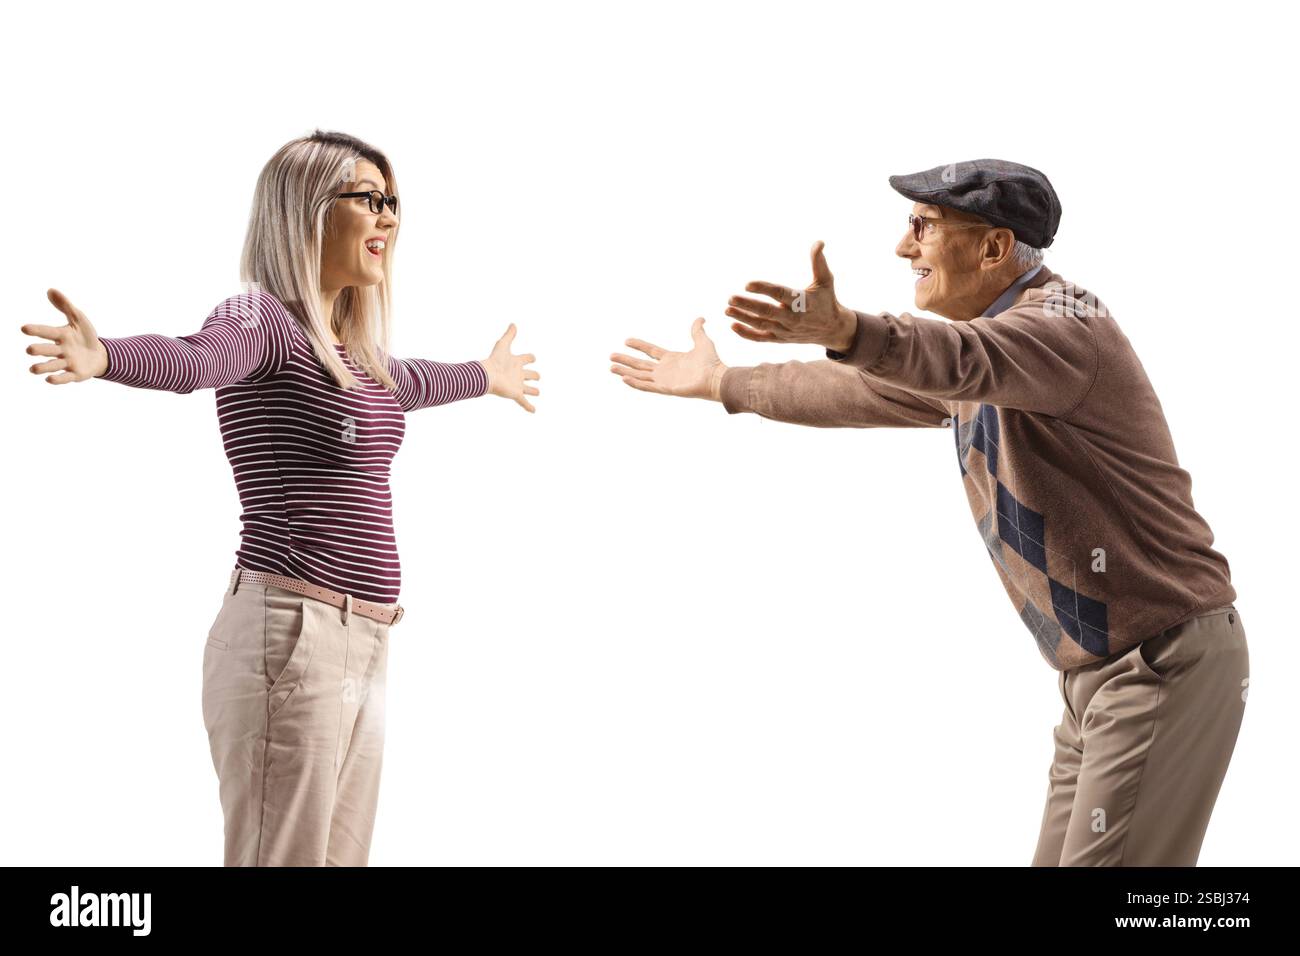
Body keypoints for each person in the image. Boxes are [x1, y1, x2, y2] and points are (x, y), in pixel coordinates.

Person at [610, 159, 1249, 866]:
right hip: (1092, 683)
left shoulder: (1065, 326)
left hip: (1160, 662)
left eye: (924, 226)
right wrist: (723, 381)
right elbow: (852, 390)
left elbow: (952, 356)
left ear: (994, 248)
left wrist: (852, 328)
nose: (902, 246)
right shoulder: (991, 355)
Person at [21, 129, 540, 866]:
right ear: (307, 210)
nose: (389, 217)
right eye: (368, 198)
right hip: (293, 637)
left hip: (365, 639)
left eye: (393, 200)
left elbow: (415, 382)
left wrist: (486, 374)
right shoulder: (259, 323)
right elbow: (194, 360)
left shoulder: (352, 353)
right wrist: (106, 357)